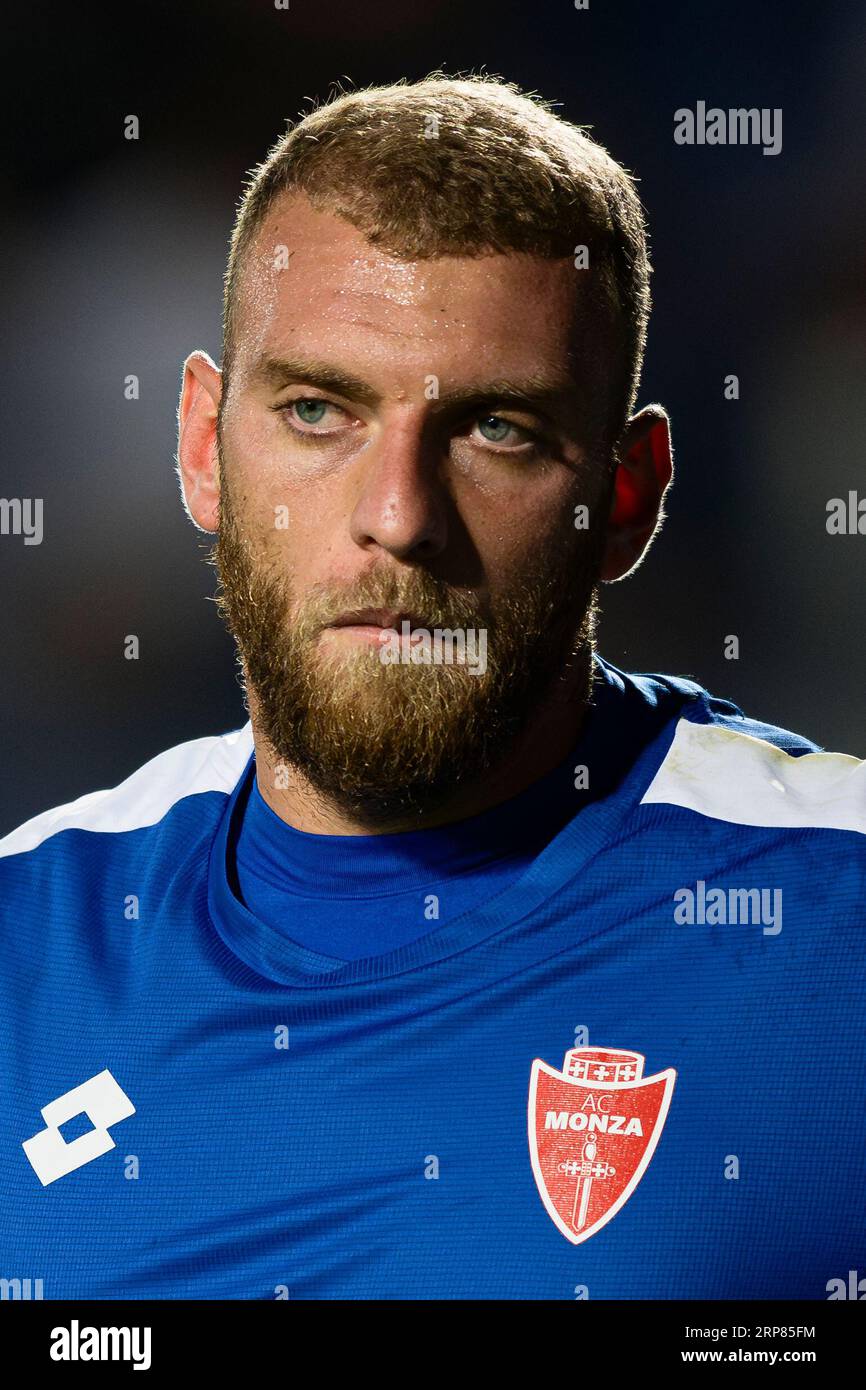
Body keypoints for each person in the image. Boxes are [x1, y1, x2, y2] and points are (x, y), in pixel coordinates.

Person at [1, 75, 863, 1300]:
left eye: (496, 430)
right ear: (200, 446)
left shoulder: (833, 918)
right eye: (315, 410)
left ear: (626, 498)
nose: (397, 518)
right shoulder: (26, 945)